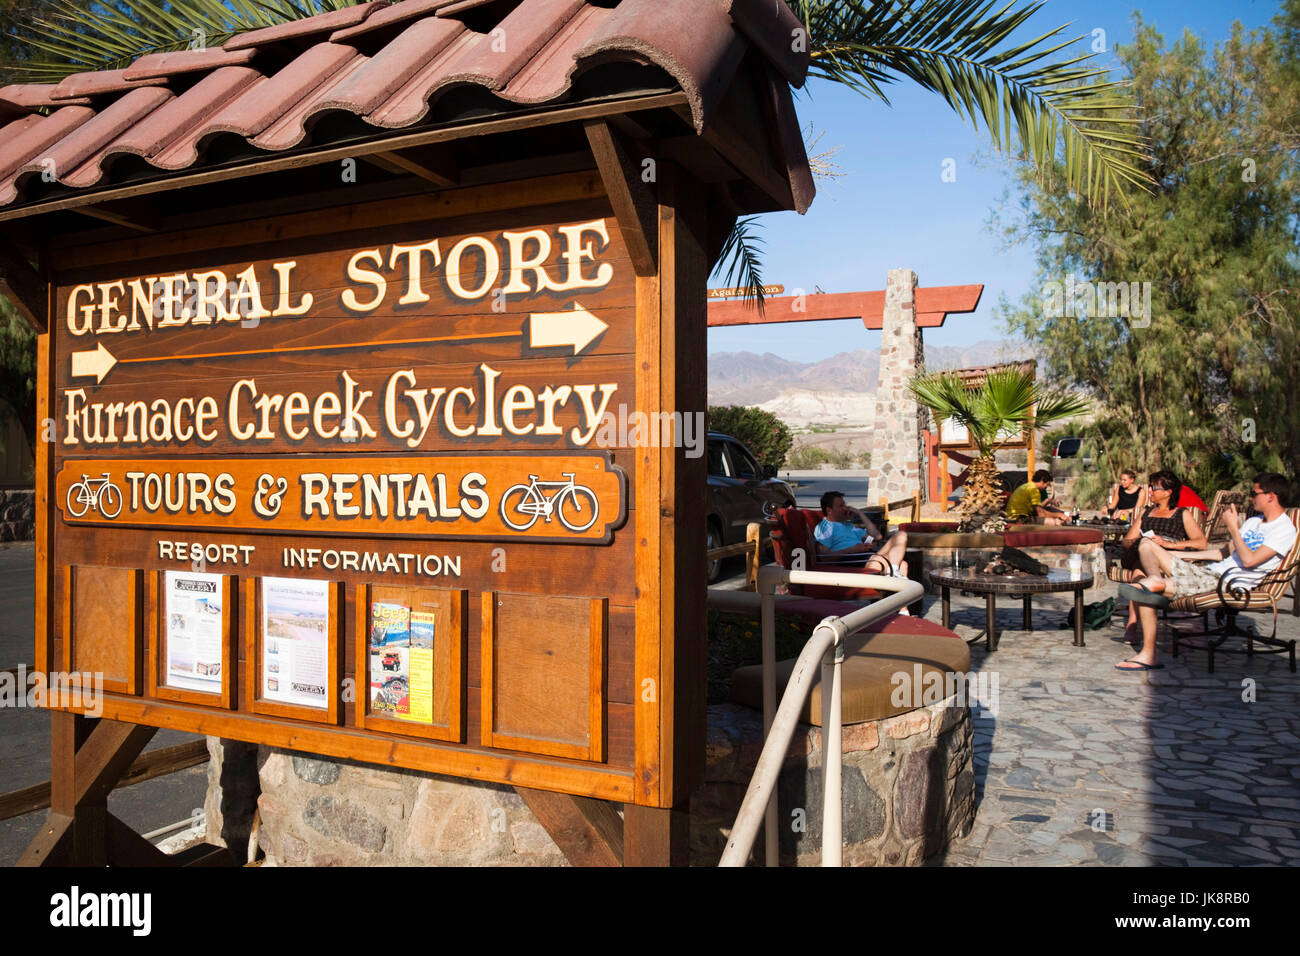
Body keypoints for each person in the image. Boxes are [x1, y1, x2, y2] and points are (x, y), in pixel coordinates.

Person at [1116, 473, 1296, 671]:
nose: (1251, 498)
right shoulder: (1254, 522)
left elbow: (1249, 560)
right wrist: (1173, 554)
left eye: (1254, 493)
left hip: (1228, 583)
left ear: (1271, 496)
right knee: (1147, 544)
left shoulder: (1284, 529)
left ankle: (1148, 654)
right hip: (1208, 572)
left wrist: (1234, 529)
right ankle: (1155, 579)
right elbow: (1222, 554)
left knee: (1143, 590)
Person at [1115, 469, 1207, 647]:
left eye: (1154, 488)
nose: (1150, 491)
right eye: (1150, 487)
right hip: (1142, 552)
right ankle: (1134, 624)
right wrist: (1144, 541)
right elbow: (1127, 540)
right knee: (1140, 564)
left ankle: (1132, 625)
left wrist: (1167, 544)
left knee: (1139, 572)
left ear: (1168, 492)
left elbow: (1201, 543)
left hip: (1168, 557)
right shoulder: (1146, 513)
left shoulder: (1182, 514)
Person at [814, 490, 909, 577]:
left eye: (845, 505)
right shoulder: (825, 527)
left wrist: (860, 513)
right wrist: (852, 550)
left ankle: (893, 575)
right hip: (850, 560)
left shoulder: (849, 525)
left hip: (866, 556)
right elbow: (824, 557)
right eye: (841, 506)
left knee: (901, 535)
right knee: (902, 565)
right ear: (829, 510)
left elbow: (877, 536)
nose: (845, 508)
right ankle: (894, 577)